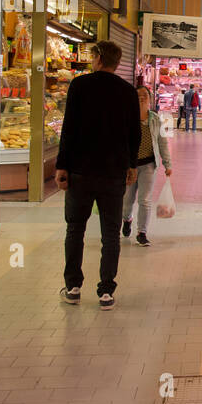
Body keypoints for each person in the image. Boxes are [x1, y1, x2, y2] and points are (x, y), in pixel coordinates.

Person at [54, 40, 140, 309]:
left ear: (99, 58)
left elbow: (68, 129)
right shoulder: (127, 92)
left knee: (75, 229)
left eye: (92, 56)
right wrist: (131, 165)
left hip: (80, 171)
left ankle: (73, 286)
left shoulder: (79, 86)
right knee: (111, 234)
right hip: (113, 173)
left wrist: (61, 166)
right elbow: (134, 134)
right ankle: (106, 291)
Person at [122, 86, 172, 248]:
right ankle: (127, 219)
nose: (141, 98)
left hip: (149, 165)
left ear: (150, 100)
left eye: (145, 95)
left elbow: (163, 143)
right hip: (129, 166)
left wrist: (167, 164)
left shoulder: (156, 119)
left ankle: (142, 232)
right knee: (127, 200)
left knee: (145, 200)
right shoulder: (126, 118)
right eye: (138, 95)